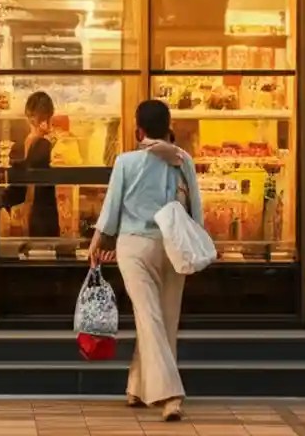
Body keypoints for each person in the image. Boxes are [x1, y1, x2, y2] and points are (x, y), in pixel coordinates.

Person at [88, 99, 202, 422]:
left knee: (149, 319)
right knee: (165, 320)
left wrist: (96, 243)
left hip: (135, 247)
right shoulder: (183, 160)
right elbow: (197, 207)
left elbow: (110, 212)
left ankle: (169, 395)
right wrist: (199, 241)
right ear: (169, 127)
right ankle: (137, 387)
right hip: (174, 247)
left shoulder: (126, 162)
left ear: (138, 130)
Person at [3, 91, 60, 237]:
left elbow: (15, 190)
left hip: (33, 219)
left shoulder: (21, 147)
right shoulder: (42, 145)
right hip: (40, 219)